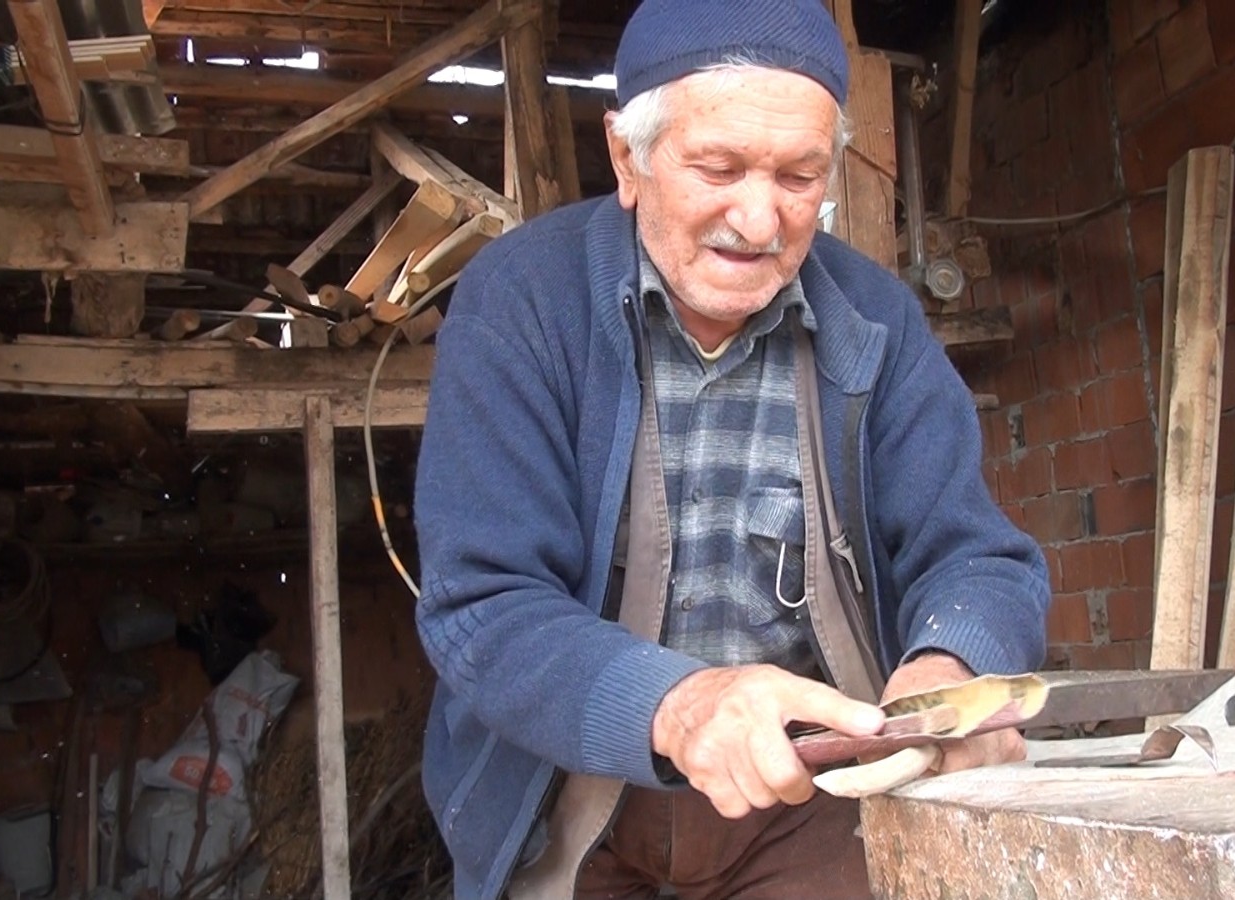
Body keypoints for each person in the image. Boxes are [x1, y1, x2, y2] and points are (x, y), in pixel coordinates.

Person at [412, 1, 1051, 896]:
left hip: (808, 795)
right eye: (719, 167)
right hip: (569, 790)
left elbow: (979, 555)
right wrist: (680, 706)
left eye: (799, 177)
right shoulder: (521, 305)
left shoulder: (874, 319)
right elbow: (480, 605)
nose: (760, 221)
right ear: (627, 158)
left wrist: (950, 676)